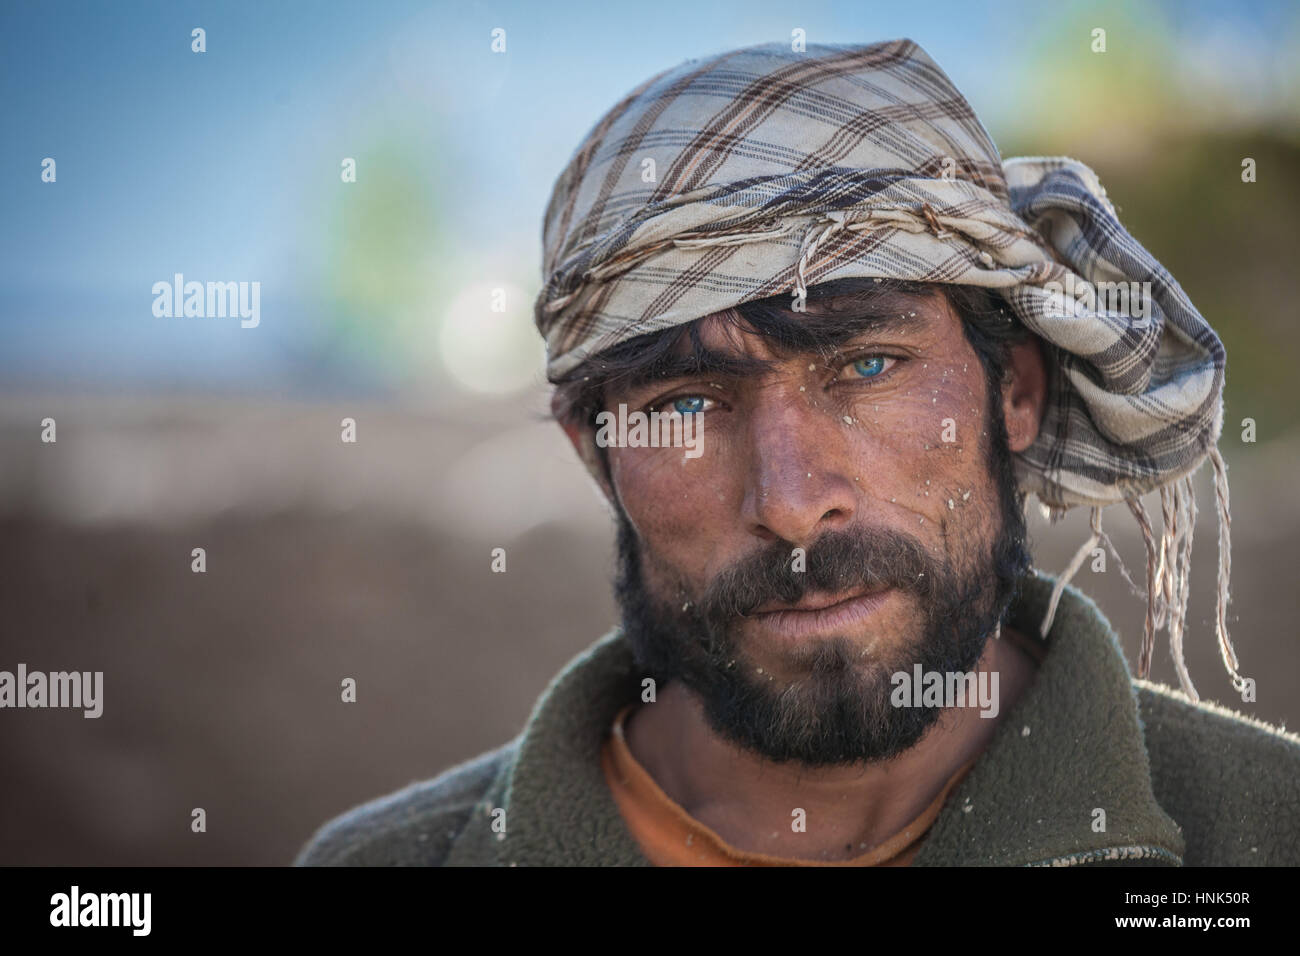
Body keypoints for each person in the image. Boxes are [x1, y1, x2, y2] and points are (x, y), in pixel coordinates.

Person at [295, 38, 1300, 867]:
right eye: (687, 402)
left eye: (866, 368)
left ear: (1016, 390)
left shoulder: (1263, 831)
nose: (789, 501)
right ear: (597, 453)